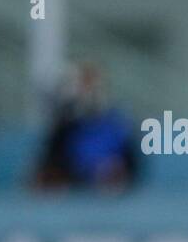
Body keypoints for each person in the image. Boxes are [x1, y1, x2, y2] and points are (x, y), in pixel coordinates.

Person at [32, 63, 138, 192]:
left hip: (107, 177)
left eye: (92, 85)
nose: (89, 91)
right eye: (84, 85)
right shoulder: (66, 124)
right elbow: (52, 157)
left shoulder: (115, 122)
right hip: (73, 178)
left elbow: (129, 157)